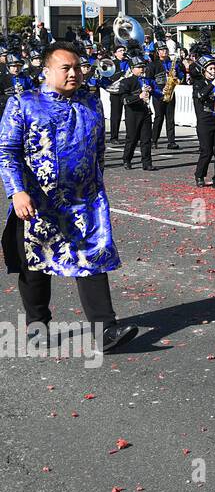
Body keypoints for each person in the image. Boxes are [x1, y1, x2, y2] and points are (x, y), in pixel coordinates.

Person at [0, 42, 136, 352]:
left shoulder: (90, 102)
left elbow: (98, 149)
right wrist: (17, 191)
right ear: (47, 71)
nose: (74, 72)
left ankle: (106, 331)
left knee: (93, 259)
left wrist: (96, 185)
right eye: (66, 68)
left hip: (84, 201)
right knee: (34, 266)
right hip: (38, 202)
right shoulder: (23, 103)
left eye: (77, 67)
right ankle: (37, 327)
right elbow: (7, 151)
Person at [192, 56, 215, 188]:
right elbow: (201, 96)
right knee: (206, 151)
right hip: (204, 122)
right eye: (211, 69)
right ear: (204, 71)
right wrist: (212, 84)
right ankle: (199, 175)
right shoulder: (198, 84)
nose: (214, 71)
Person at [118, 56, 156, 171]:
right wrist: (138, 96)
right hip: (133, 113)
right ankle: (127, 160)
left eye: (143, 67)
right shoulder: (126, 82)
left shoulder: (146, 80)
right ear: (132, 68)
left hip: (145, 111)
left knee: (146, 139)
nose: (142, 69)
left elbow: (156, 92)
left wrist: (155, 91)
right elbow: (124, 99)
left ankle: (147, 163)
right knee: (132, 138)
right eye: (139, 67)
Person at [147, 44, 181, 150]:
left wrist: (177, 76)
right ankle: (154, 140)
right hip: (158, 94)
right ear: (158, 52)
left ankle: (171, 141)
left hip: (170, 92)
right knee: (159, 117)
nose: (164, 52)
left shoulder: (172, 64)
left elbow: (181, 76)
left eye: (165, 49)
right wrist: (158, 91)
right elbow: (149, 80)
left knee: (170, 118)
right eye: (161, 50)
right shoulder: (153, 65)